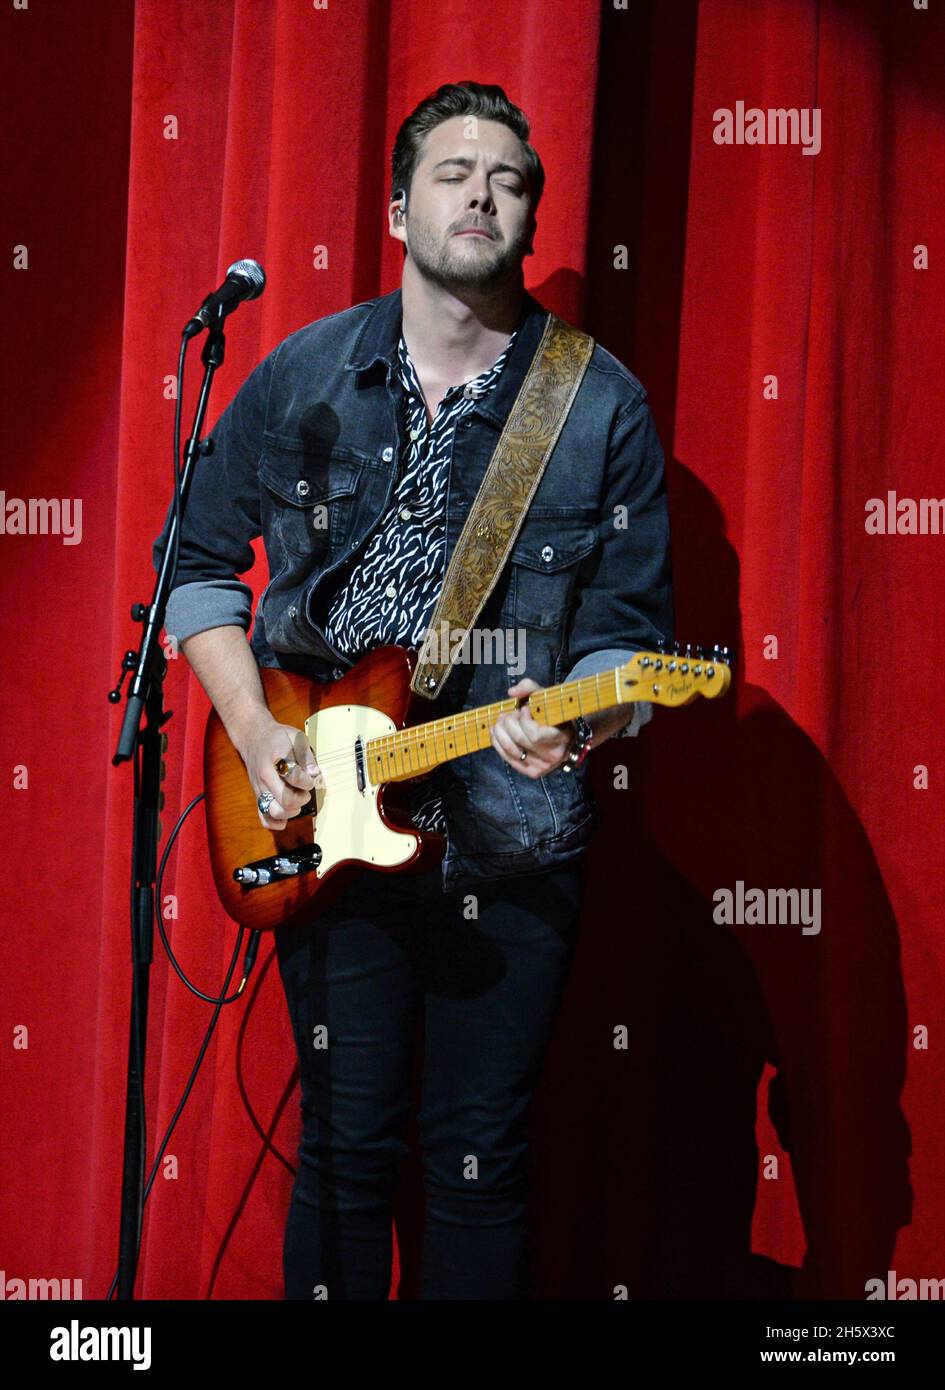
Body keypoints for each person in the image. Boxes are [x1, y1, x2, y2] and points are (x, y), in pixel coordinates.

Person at [152, 79, 674, 1300]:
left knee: (478, 1167)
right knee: (341, 1155)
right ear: (398, 208)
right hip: (321, 811)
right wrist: (251, 726)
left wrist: (586, 713)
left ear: (532, 218)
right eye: (453, 172)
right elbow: (195, 567)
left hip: (509, 838)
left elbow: (629, 642)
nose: (481, 193)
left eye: (508, 178)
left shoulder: (596, 405)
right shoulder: (300, 375)